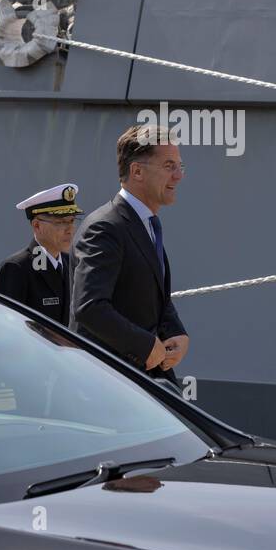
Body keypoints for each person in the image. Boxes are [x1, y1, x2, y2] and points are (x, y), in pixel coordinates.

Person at [70, 125, 189, 384]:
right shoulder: (105, 227)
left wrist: (176, 332)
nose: (179, 175)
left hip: (142, 378)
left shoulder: (146, 224)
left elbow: (154, 293)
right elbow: (89, 307)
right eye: (169, 166)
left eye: (180, 166)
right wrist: (145, 345)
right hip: (108, 382)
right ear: (137, 171)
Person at [0, 183, 83, 326]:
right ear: (37, 226)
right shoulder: (16, 268)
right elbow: (5, 326)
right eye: (61, 222)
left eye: (71, 221)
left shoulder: (71, 262)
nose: (70, 229)